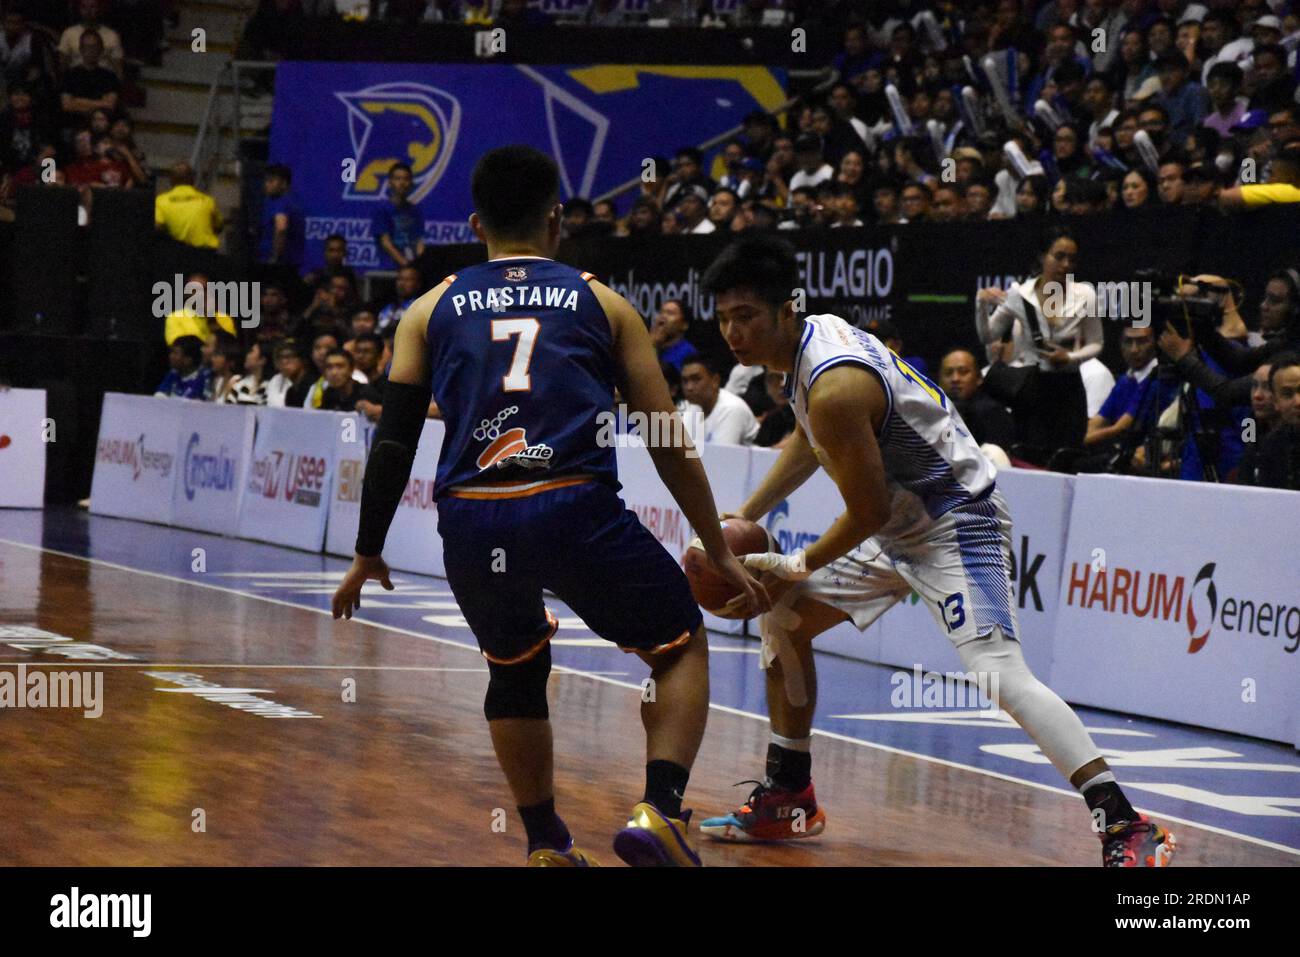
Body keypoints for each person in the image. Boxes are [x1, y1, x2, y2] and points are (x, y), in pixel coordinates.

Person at [329, 145, 767, 868]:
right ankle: (659, 811)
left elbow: (394, 439)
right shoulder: (605, 302)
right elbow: (665, 437)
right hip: (572, 502)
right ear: (557, 220)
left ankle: (545, 844)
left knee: (515, 669)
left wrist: (367, 546)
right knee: (681, 642)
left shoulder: (429, 308)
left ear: (475, 223)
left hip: (472, 514)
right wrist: (714, 545)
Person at [693, 234, 1176, 867]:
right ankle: (790, 798)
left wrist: (798, 563)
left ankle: (1125, 823)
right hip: (899, 527)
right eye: (724, 317)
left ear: (788, 308)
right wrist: (748, 514)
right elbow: (812, 444)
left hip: (956, 521)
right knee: (784, 621)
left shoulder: (836, 384)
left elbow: (863, 510)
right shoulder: (812, 348)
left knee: (999, 675)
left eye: (746, 315)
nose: (733, 332)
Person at [680, 355, 758, 446]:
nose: (689, 387)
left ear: (715, 381)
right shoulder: (692, 407)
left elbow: (721, 457)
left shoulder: (732, 408)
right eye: (685, 381)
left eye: (696, 379)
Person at [154, 162, 223, 249]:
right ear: (193, 180)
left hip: (178, 254)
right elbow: (219, 226)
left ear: (171, 180)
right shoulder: (207, 201)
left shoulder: (161, 201)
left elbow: (157, 227)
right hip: (207, 253)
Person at [257, 163, 305, 269]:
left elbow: (281, 228)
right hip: (293, 262)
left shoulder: (281, 203)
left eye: (271, 181)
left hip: (278, 264)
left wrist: (275, 258)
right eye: (266, 181)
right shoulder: (294, 203)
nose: (266, 185)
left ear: (283, 184)